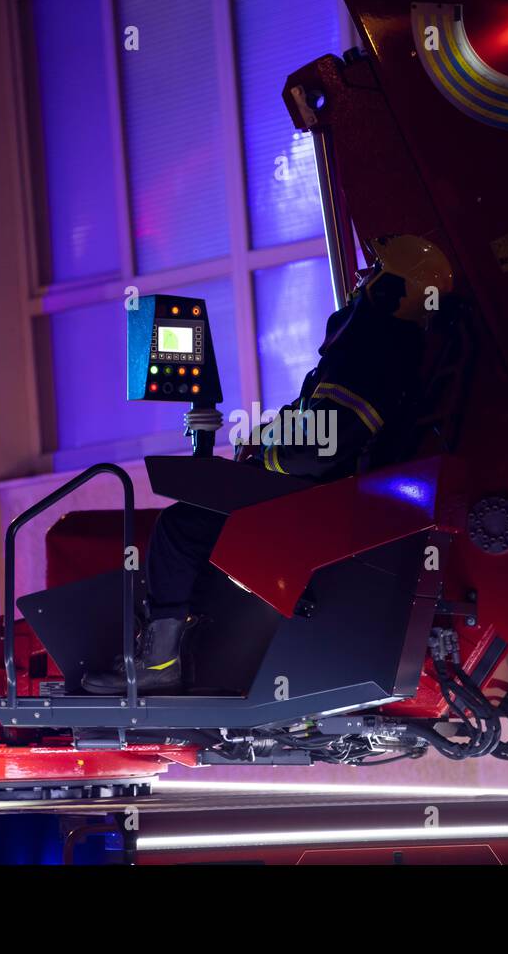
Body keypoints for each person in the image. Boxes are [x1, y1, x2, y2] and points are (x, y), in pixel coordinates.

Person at [81, 236, 453, 695]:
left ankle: (159, 663)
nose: (361, 279)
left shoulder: (372, 350)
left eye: (373, 269)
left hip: (318, 510)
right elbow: (322, 430)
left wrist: (262, 456)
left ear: (393, 288)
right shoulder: (397, 351)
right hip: (338, 505)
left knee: (180, 528)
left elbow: (322, 446)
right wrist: (265, 439)